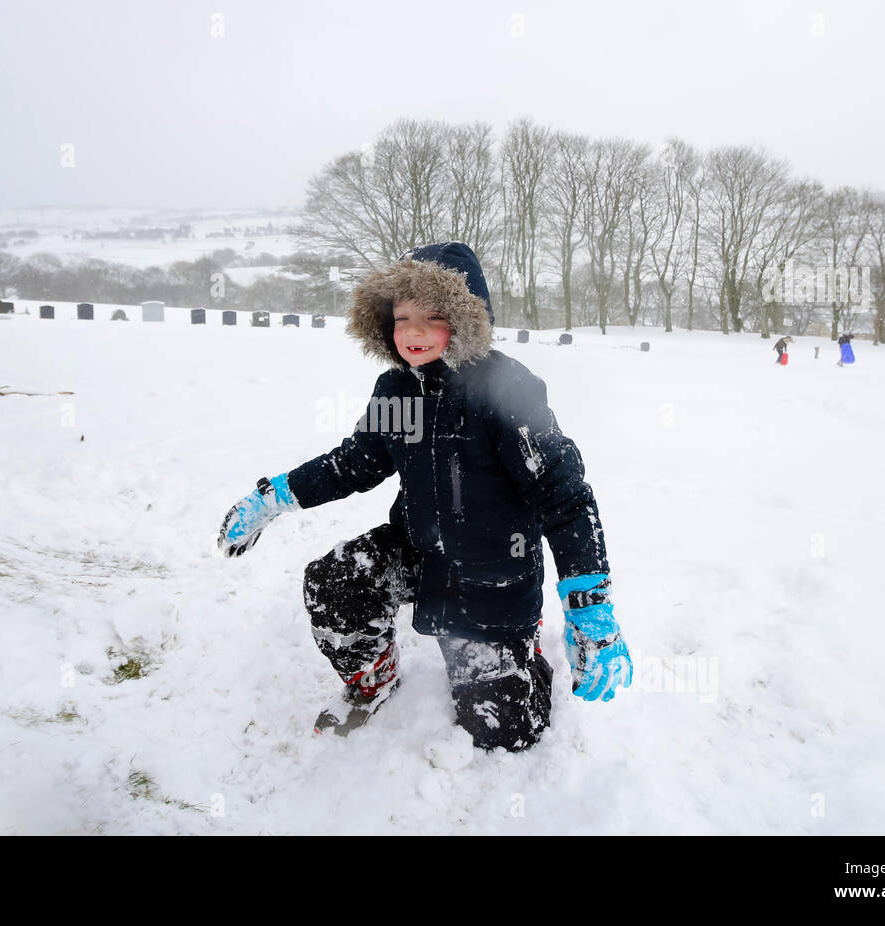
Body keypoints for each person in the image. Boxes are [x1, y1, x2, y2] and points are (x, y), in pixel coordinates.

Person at [216, 242, 629, 752]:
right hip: (420, 553)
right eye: (402, 316)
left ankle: (522, 659)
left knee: (501, 734)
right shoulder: (397, 391)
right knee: (334, 582)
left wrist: (590, 606)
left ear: (466, 318)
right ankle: (374, 679)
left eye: (433, 316)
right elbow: (356, 462)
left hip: (493, 578)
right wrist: (273, 498)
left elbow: (564, 496)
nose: (413, 331)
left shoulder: (505, 389)